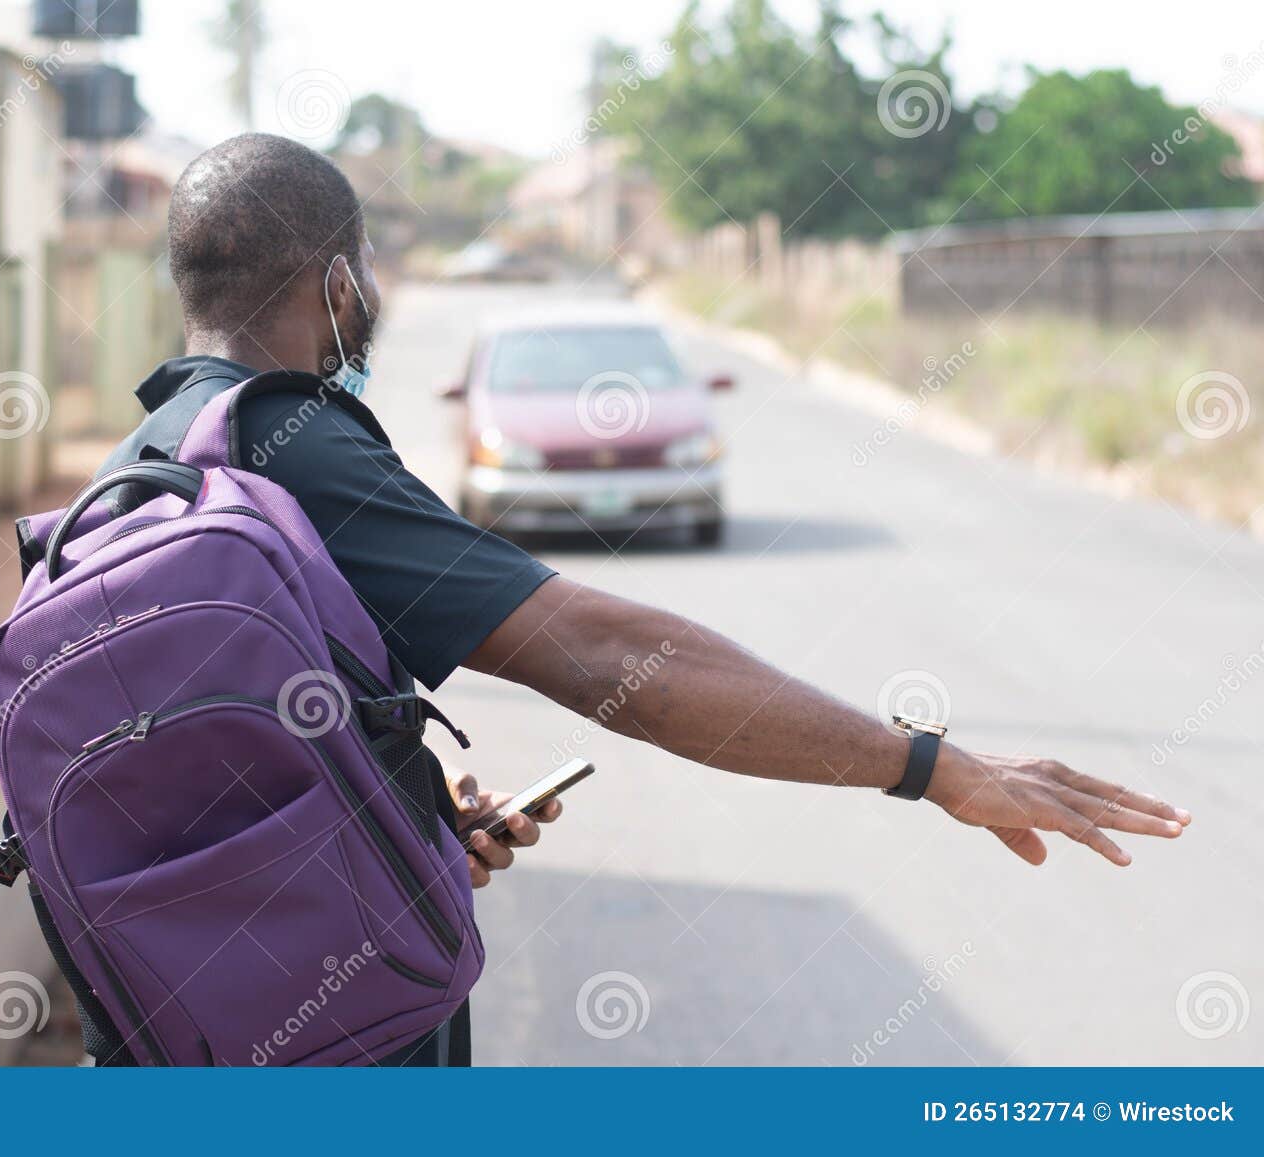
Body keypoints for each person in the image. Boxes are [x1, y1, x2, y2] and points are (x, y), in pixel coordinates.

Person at [96, 133, 1190, 1066]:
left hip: (174, 1015)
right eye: (367, 269)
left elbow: (197, 766)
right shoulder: (296, 446)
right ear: (340, 283)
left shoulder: (136, 468)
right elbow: (608, 653)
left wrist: (399, 801)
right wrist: (932, 766)